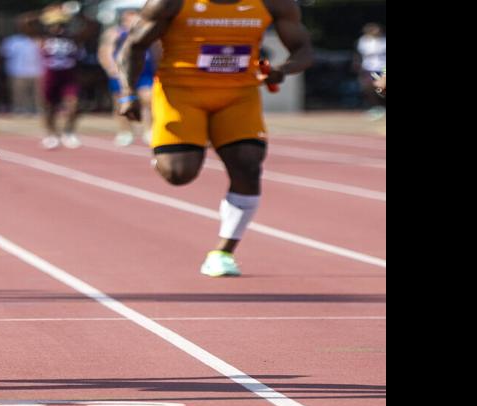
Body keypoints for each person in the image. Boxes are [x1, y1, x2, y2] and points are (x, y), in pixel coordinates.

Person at [119, 0, 313, 277]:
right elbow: (133, 46)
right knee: (178, 173)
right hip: (181, 93)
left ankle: (223, 251)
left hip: (238, 95)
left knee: (248, 163)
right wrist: (128, 92)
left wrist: (283, 69)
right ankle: (176, 148)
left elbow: (304, 48)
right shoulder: (171, 3)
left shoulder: (273, 2)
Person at [21, 7, 87, 149]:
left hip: (69, 77)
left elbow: (92, 26)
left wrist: (74, 14)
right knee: (48, 107)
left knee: (74, 105)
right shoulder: (42, 38)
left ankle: (68, 132)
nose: (58, 28)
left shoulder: (74, 38)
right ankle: (51, 134)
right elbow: (24, 22)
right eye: (54, 25)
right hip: (49, 76)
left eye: (61, 25)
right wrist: (44, 14)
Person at [98, 6, 154, 145]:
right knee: (122, 103)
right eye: (129, 17)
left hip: (144, 72)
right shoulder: (114, 33)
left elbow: (155, 49)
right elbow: (105, 51)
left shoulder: (146, 31)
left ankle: (148, 131)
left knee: (148, 100)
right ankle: (125, 132)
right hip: (122, 74)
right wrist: (111, 68)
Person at [0, 27, 41, 116]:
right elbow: (3, 56)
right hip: (17, 72)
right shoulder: (12, 41)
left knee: (37, 97)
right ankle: (20, 112)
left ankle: (37, 112)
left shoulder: (39, 40)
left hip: (37, 72)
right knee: (19, 96)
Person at [356, 23, 384, 117]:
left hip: (382, 68)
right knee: (369, 88)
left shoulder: (383, 40)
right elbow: (362, 54)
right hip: (369, 68)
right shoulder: (363, 41)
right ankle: (376, 107)